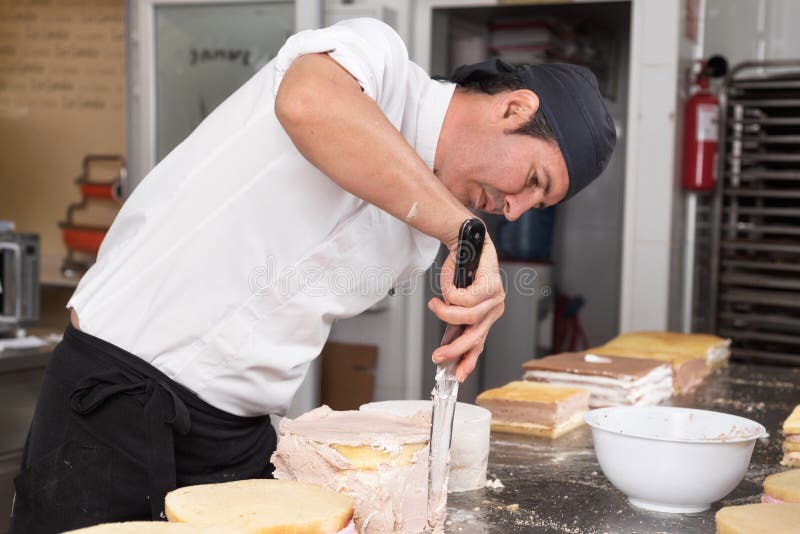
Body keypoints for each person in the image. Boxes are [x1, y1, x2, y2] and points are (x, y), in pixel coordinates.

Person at [10, 17, 615, 533]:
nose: (513, 210)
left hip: (235, 434)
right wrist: (466, 232)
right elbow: (307, 104)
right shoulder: (376, 62)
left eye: (536, 205)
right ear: (515, 108)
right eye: (534, 182)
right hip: (117, 393)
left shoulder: (421, 238)